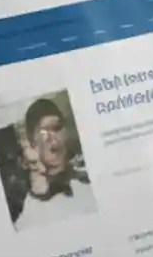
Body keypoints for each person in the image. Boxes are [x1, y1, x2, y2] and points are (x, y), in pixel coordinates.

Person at [14, 97, 95, 230]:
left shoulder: (89, 182)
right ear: (33, 143)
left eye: (57, 128)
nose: (54, 139)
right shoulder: (28, 222)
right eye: (45, 131)